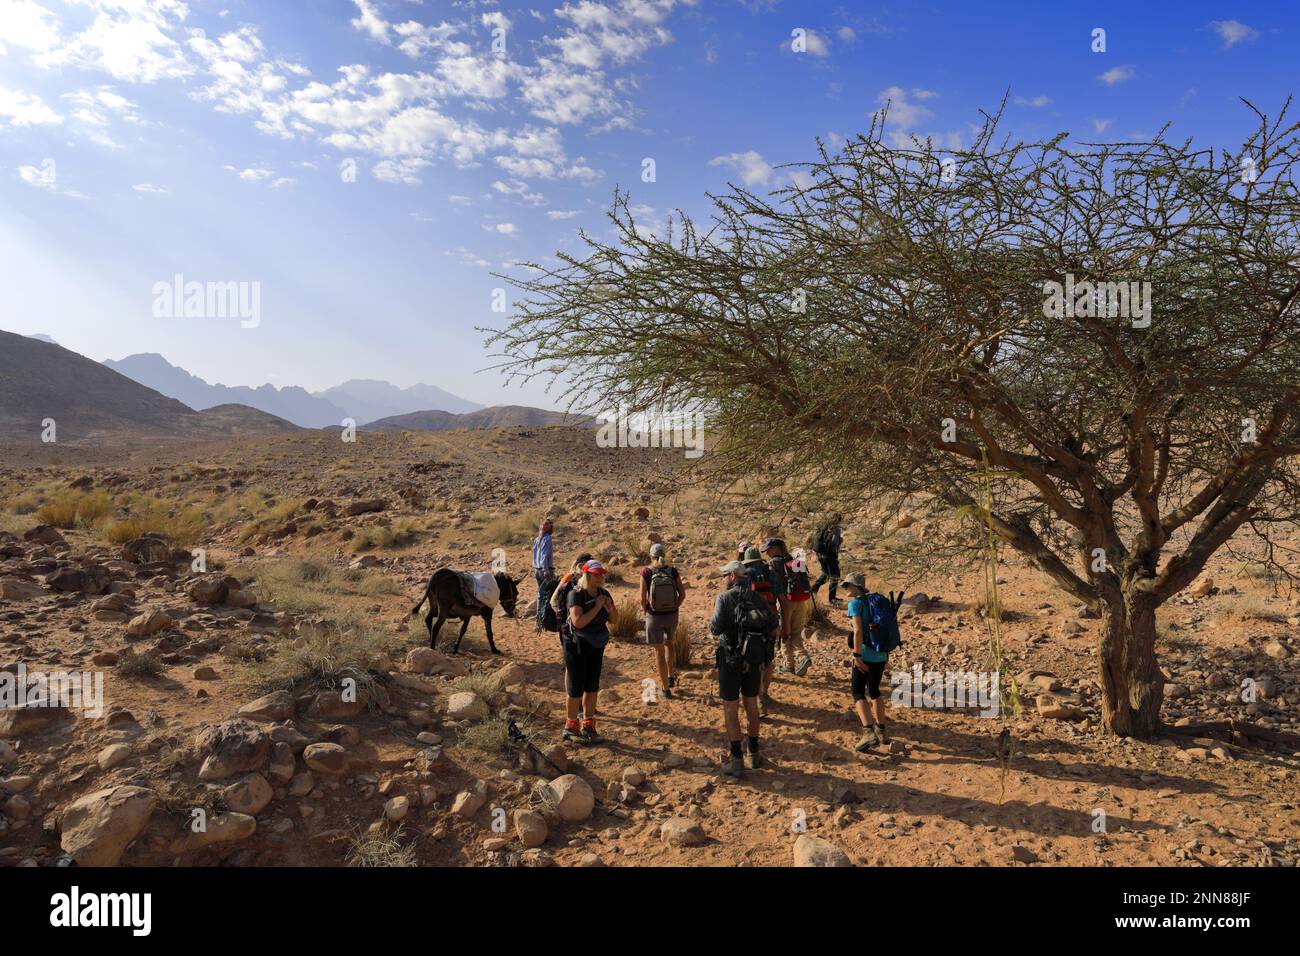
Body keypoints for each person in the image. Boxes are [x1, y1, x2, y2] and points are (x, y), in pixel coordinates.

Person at [709, 560, 778, 777]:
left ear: (731, 576)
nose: (722, 580)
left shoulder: (724, 598)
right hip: (754, 660)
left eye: (724, 576)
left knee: (731, 708)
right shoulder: (757, 598)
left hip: (730, 660)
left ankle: (737, 759)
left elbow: (715, 628)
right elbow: (774, 626)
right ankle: (754, 754)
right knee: (751, 706)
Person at [564, 560, 618, 745]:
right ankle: (570, 727)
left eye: (602, 574)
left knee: (592, 685)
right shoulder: (576, 594)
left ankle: (588, 725)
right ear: (587, 575)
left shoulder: (604, 593)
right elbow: (578, 622)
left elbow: (614, 620)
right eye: (597, 574)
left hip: (596, 644)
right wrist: (596, 606)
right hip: (577, 644)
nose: (601, 577)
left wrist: (609, 607)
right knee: (576, 686)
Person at [841, 572, 892, 751]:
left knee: (857, 692)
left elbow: (858, 631)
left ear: (856, 587)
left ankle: (868, 733)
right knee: (875, 691)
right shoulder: (876, 602)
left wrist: (857, 656)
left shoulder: (855, 603)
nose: (845, 588)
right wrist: (886, 655)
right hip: (880, 654)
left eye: (847, 585)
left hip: (865, 654)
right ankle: (882, 731)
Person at [639, 542, 687, 699]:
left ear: (650, 556)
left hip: (654, 617)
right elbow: (682, 594)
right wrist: (675, 608)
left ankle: (666, 689)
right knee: (669, 643)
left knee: (658, 651)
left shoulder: (646, 572)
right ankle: (671, 675)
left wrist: (648, 612)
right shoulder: (672, 571)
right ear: (664, 554)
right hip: (672, 615)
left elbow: (642, 599)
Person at [761, 538, 813, 678]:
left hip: (785, 602)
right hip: (800, 601)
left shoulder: (774, 563)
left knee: (784, 633)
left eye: (768, 550)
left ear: (776, 548)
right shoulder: (794, 560)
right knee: (795, 633)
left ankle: (793, 662)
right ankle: (796, 661)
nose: (767, 554)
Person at [741, 545, 781, 717]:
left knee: (755, 663)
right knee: (769, 660)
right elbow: (782, 600)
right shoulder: (771, 574)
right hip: (772, 621)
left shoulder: (747, 575)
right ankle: (764, 692)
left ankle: (760, 700)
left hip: (754, 624)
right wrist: (782, 624)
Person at [811, 513, 844, 606]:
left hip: (820, 555)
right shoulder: (835, 528)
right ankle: (832, 599)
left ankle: (813, 590)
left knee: (826, 574)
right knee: (835, 576)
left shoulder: (823, 527)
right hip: (830, 556)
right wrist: (840, 541)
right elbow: (834, 541)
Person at [532, 518, 556, 629]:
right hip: (545, 570)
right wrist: (546, 571)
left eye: (548, 524)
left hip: (537, 570)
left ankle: (539, 622)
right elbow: (544, 556)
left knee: (541, 595)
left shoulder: (537, 539)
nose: (546, 525)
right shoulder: (547, 538)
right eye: (545, 523)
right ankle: (546, 621)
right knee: (551, 594)